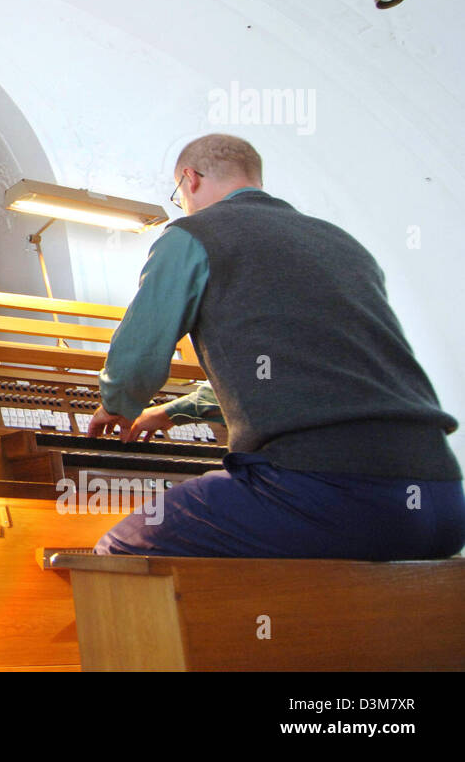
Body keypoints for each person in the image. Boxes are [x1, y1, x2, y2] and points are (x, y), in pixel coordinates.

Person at [86, 133, 464, 559]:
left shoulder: (194, 234)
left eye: (179, 194)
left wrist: (118, 403)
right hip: (444, 499)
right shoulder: (341, 243)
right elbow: (308, 369)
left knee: (116, 551)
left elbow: (139, 353)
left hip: (330, 492)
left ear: (189, 180)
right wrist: (171, 412)